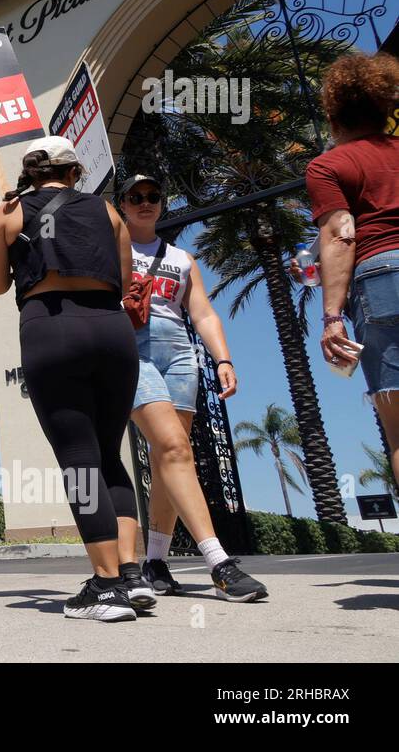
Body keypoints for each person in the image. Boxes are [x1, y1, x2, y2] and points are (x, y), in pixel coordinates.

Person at [0, 136, 145, 622]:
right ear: (75, 172)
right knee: (110, 453)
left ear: (30, 173)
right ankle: (131, 574)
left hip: (51, 327)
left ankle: (108, 588)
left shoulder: (10, 214)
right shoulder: (110, 213)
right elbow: (123, 275)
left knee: (79, 459)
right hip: (111, 331)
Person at [118, 174, 268, 602]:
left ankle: (156, 561)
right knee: (173, 449)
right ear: (123, 205)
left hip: (180, 355)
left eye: (153, 197)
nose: (145, 203)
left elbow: (201, 312)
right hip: (135, 351)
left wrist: (222, 358)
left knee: (172, 454)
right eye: (136, 197)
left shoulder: (182, 259)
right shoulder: (114, 249)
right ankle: (219, 562)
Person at [305, 52, 399, 491]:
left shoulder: (328, 166)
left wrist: (331, 317)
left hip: (381, 277)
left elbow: (342, 235)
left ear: (333, 113)